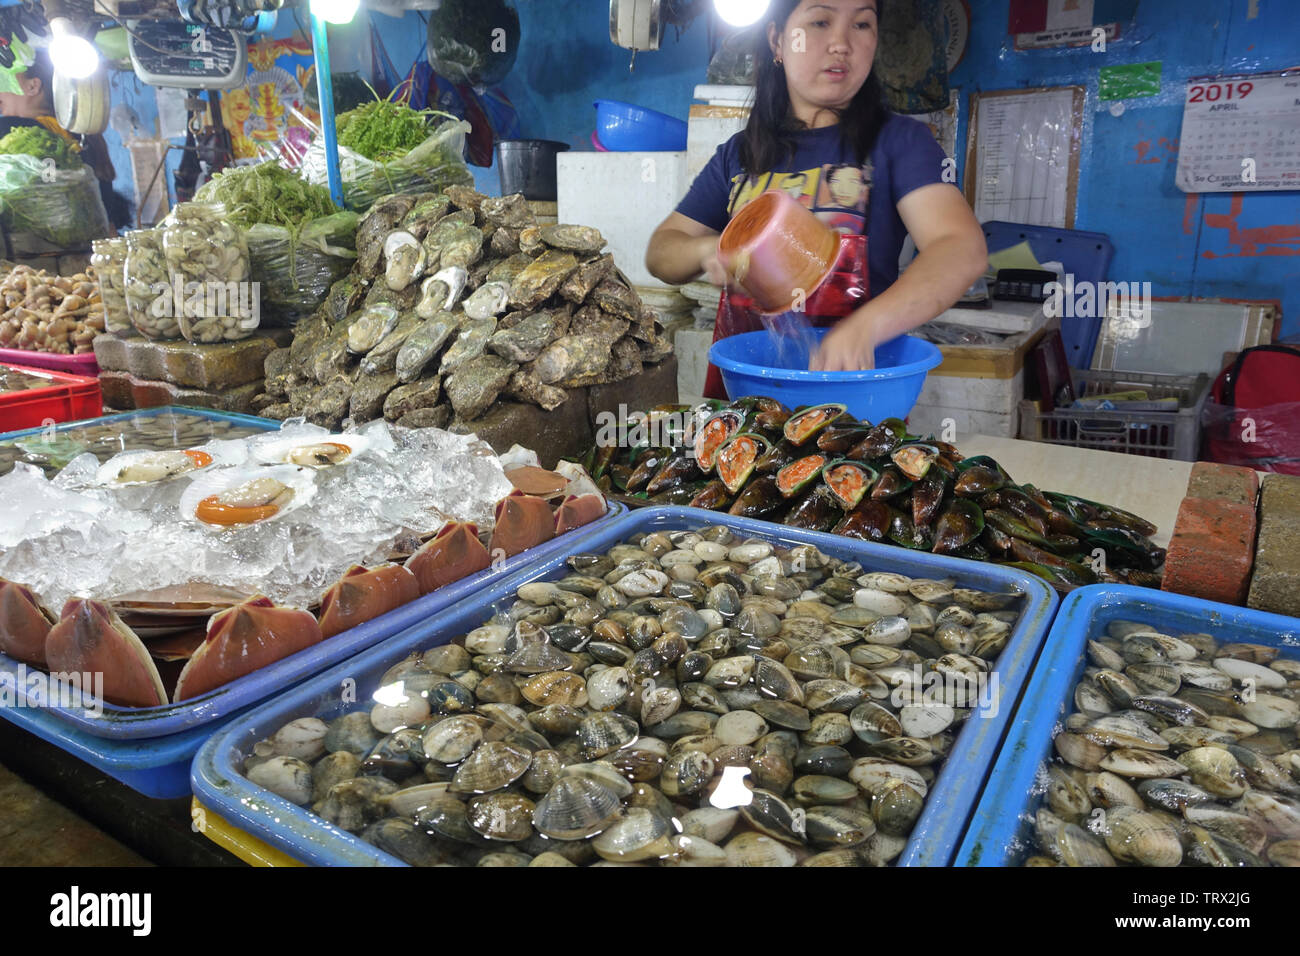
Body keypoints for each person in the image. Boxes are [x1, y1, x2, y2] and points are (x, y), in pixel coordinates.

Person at [646, 0, 987, 393]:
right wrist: (712, 249)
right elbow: (661, 253)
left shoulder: (900, 143)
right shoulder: (739, 153)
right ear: (777, 41)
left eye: (862, 25)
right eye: (821, 21)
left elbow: (960, 248)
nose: (841, 43)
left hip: (852, 400)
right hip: (745, 402)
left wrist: (865, 326)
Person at [0, 49, 131, 230]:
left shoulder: (10, 127)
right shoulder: (84, 136)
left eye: (5, 79)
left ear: (33, 86)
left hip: (34, 248)